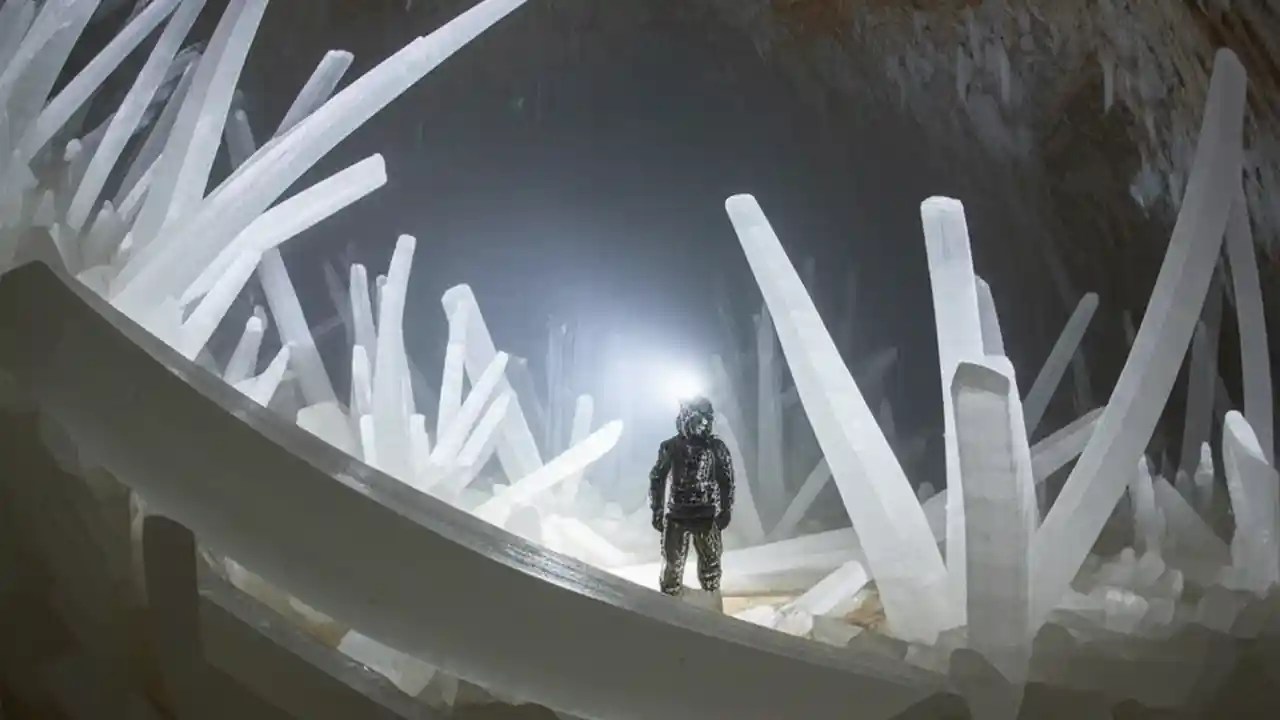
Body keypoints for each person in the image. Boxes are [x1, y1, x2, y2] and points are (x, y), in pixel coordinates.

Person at [648, 395, 734, 596]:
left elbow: (725, 480)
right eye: (701, 418)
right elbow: (657, 479)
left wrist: (726, 509)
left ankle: (711, 601)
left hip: (705, 514)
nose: (704, 424)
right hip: (677, 514)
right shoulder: (671, 446)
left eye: (707, 418)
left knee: (711, 565)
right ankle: (668, 604)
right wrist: (657, 510)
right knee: (672, 566)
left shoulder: (715, 447)